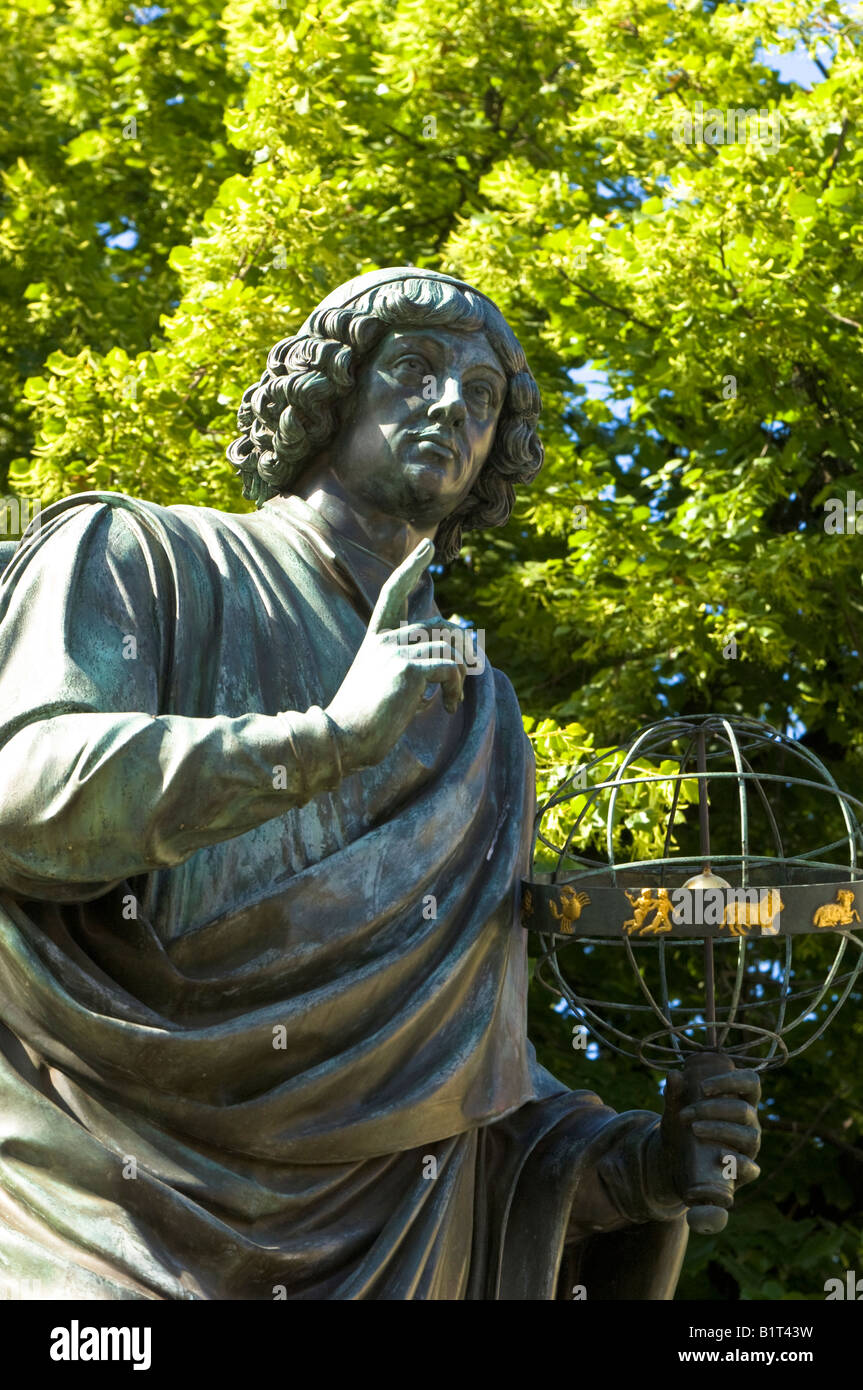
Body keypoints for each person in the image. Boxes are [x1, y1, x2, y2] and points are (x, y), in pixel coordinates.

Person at [0, 268, 760, 1300]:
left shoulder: (480, 720)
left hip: (399, 1254)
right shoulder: (142, 555)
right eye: (414, 369)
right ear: (330, 394)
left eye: (483, 397)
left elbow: (457, 1086)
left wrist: (636, 1170)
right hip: (101, 1224)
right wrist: (327, 738)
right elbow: (27, 801)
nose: (451, 404)